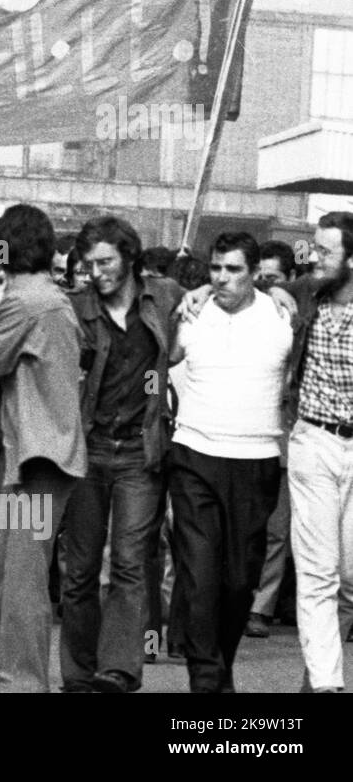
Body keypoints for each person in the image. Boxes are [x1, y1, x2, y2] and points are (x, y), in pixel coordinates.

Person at [0, 204, 86, 693]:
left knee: (23, 584)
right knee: (7, 577)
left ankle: (23, 682)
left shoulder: (22, 300)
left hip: (38, 458)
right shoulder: (48, 297)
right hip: (33, 453)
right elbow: (26, 386)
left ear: (5, 250)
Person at [59, 215, 182, 693]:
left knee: (132, 563)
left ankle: (119, 670)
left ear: (129, 257)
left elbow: (209, 297)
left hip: (139, 449)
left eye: (106, 261)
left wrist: (276, 293)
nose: (97, 271)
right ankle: (78, 671)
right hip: (87, 449)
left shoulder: (164, 295)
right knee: (81, 567)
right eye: (89, 263)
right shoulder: (75, 307)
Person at [167, 231, 290, 693]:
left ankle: (222, 667)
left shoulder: (282, 313)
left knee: (240, 583)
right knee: (200, 575)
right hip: (194, 455)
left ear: (255, 273)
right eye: (215, 268)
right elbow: (155, 361)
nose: (221, 278)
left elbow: (322, 284)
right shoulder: (190, 312)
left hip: (256, 461)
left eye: (233, 269)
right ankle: (206, 679)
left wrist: (283, 290)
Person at [277, 213, 353, 691]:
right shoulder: (307, 296)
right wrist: (198, 293)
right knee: (318, 574)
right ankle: (326, 686)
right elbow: (249, 292)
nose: (314, 258)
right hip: (314, 443)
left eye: (326, 252)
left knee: (349, 576)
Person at [246, 239, 298, 639]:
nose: (264, 284)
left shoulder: (298, 322)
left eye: (273, 278)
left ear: (290, 280)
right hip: (239, 438)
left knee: (276, 532)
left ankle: (261, 608)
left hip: (284, 443)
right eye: (259, 276)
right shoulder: (234, 314)